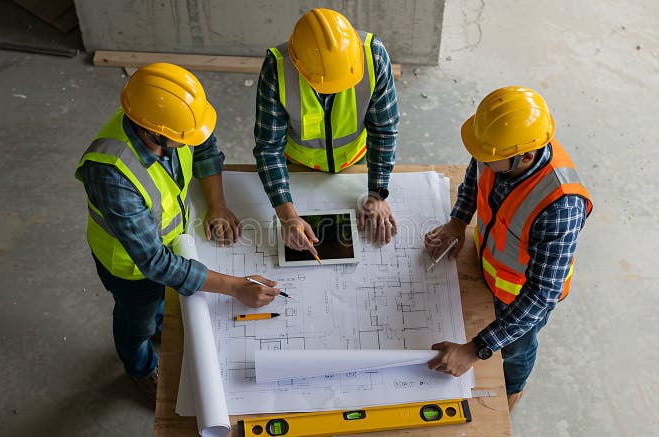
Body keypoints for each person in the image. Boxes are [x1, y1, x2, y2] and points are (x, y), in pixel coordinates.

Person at [75, 63, 280, 398]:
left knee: (160, 307)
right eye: (181, 137)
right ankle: (139, 368)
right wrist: (235, 287)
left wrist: (217, 204)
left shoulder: (170, 119)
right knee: (136, 322)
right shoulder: (111, 174)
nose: (190, 138)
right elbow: (154, 263)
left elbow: (205, 147)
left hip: (173, 243)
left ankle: (157, 323)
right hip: (130, 268)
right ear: (151, 132)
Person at [424, 86, 592, 412]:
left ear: (525, 157)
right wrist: (458, 221)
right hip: (487, 263)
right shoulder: (499, 147)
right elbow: (475, 175)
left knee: (516, 349)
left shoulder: (561, 204)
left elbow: (541, 294)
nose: (482, 160)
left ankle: (512, 391)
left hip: (519, 295)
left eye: (490, 158)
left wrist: (474, 350)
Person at [253, 8, 400, 256]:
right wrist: (287, 216)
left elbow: (384, 130)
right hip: (298, 166)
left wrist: (377, 193)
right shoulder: (277, 69)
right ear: (298, 64)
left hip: (356, 160)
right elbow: (268, 147)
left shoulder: (373, 56)